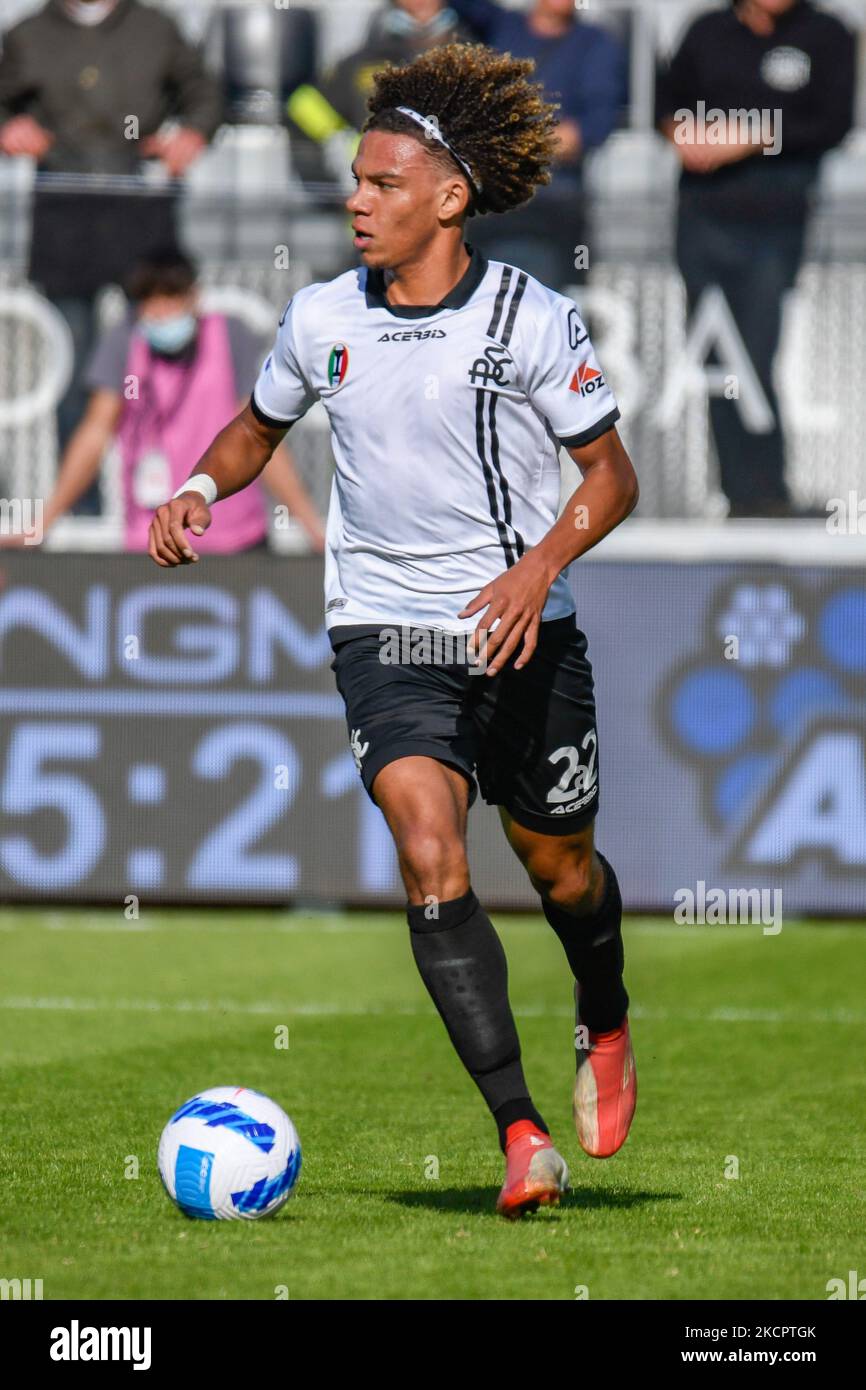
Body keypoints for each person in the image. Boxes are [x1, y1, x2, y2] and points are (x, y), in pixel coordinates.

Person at [148, 44, 639, 1218]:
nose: (355, 201)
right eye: (353, 183)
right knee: (426, 847)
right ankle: (520, 1132)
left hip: (523, 631)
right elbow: (252, 430)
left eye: (379, 183)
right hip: (385, 627)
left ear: (448, 197)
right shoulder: (321, 315)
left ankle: (605, 1016)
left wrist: (538, 566)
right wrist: (201, 490)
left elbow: (612, 475)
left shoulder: (528, 316)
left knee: (559, 868)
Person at [0, 0, 222, 504]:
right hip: (63, 221)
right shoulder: (28, 34)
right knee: (74, 374)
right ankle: (80, 513)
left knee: (158, 368)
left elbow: (204, 93)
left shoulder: (156, 28)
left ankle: (171, 501)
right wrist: (8, 128)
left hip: (140, 216)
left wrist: (191, 134)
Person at [656, 0, 855, 517]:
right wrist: (683, 135)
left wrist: (750, 138)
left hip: (775, 221)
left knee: (755, 352)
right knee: (714, 356)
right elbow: (668, 103)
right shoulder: (706, 31)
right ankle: (738, 492)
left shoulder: (827, 33)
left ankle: (767, 489)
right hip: (702, 216)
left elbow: (831, 123)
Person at [34, 249, 324, 553]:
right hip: (155, 539)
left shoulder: (228, 335)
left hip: (236, 538)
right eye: (150, 301)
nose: (160, 311)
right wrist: (44, 524)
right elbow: (94, 435)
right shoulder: (125, 342)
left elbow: (260, 436)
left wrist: (310, 526)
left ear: (193, 297)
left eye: (170, 298)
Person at [447, 0, 627, 288]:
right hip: (489, 206)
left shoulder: (595, 43)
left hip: (553, 205)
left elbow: (588, 130)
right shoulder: (502, 26)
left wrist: (505, 138)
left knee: (538, 299)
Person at [286, 0, 471, 194]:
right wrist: (328, 191)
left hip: (460, 214)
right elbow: (302, 118)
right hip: (374, 209)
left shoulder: (478, 62)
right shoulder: (361, 65)